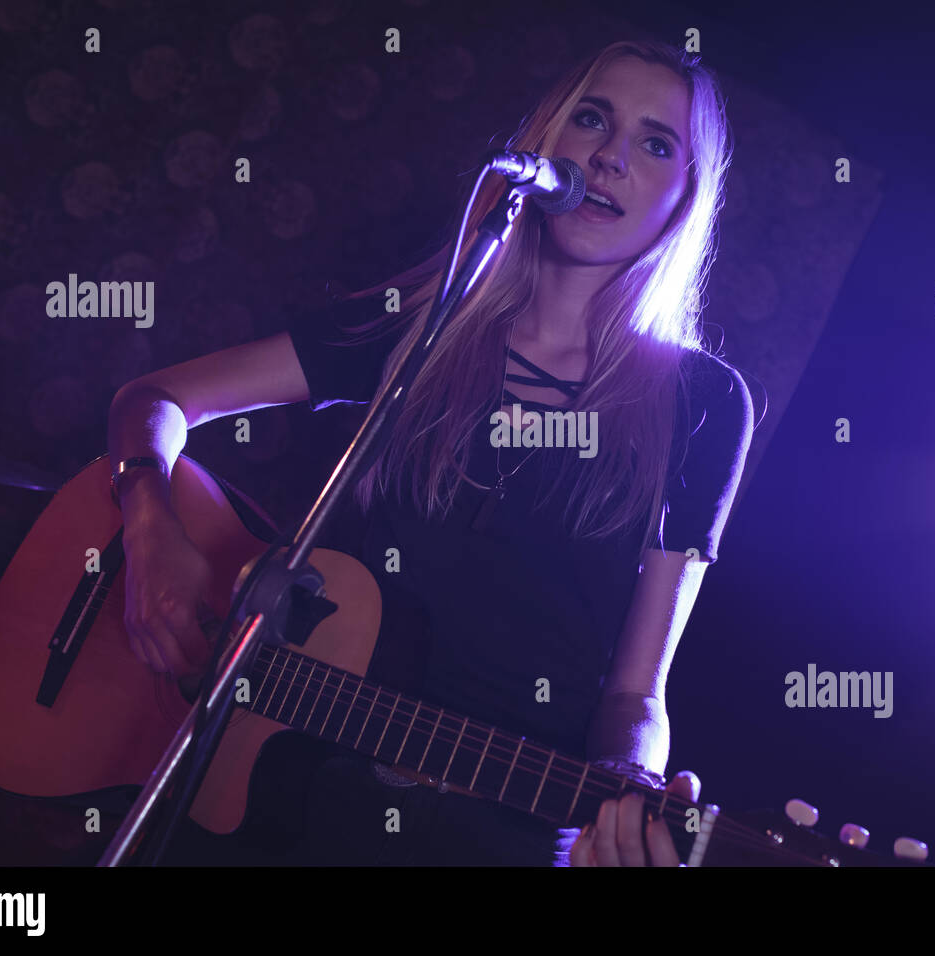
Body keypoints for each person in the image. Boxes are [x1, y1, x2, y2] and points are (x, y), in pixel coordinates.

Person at [107, 38, 758, 866]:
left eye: (655, 143)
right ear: (545, 144)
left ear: (685, 195)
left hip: (484, 836)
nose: (608, 157)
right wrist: (151, 532)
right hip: (270, 802)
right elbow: (154, 400)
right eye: (592, 119)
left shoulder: (700, 402)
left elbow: (637, 691)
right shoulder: (421, 322)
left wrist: (628, 781)